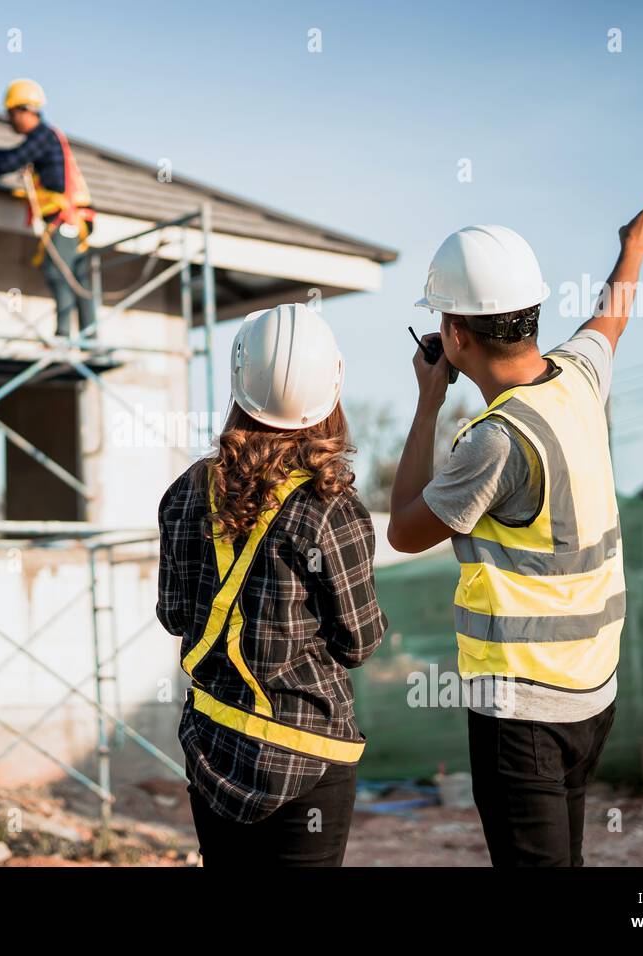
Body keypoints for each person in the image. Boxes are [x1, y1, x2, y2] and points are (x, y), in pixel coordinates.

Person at [387, 201, 643, 866]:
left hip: (523, 714)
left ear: (454, 337)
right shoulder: (578, 378)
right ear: (531, 314)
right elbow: (612, 314)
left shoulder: (496, 443)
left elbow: (402, 529)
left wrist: (428, 404)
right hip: (593, 695)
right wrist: (633, 249)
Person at [157, 302, 386, 867]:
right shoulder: (332, 509)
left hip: (213, 746)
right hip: (307, 754)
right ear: (330, 391)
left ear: (240, 383)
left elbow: (174, 615)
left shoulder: (188, 490)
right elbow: (358, 643)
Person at [0, 79, 97, 342]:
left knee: (56, 271)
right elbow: (8, 154)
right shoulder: (43, 139)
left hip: (68, 218)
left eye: (11, 115)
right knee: (79, 278)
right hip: (75, 218)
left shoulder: (43, 137)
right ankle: (91, 338)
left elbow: (12, 160)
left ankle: (64, 335)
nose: (10, 121)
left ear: (23, 110)